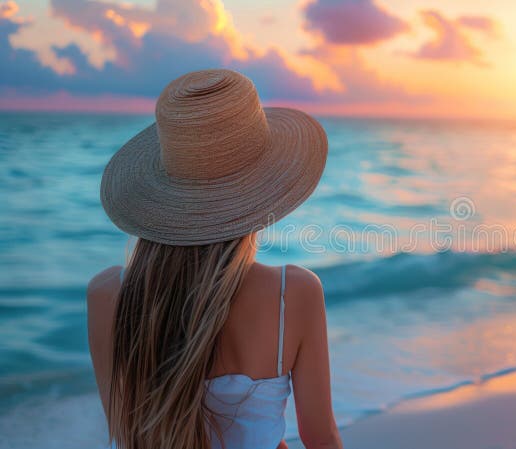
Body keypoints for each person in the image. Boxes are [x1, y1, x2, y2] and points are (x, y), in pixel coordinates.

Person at [86, 68, 341, 449]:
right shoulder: (294, 293)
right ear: (263, 192)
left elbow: (127, 433)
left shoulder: (107, 294)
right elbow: (320, 437)